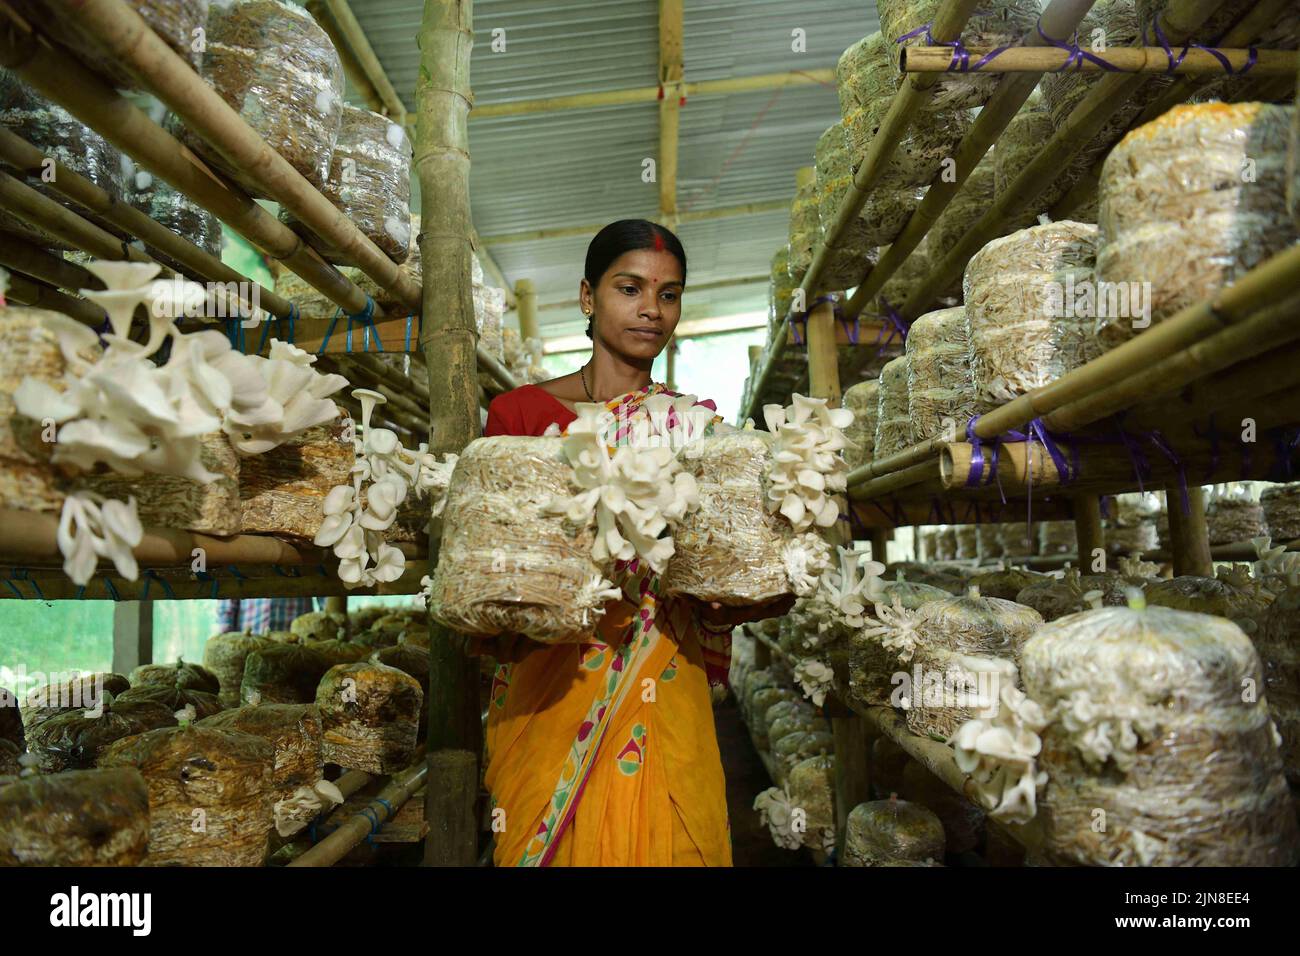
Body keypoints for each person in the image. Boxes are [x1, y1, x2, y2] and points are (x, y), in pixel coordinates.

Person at [482, 219, 791, 867]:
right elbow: (492, 576)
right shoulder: (521, 416)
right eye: (631, 288)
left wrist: (751, 589)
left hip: (661, 683)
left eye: (669, 294)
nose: (652, 309)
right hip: (552, 687)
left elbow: (721, 575)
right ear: (588, 297)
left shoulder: (694, 423)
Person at [215, 597, 320, 635]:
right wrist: (225, 637)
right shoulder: (241, 552)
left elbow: (328, 605)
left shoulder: (307, 551)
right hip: (250, 641)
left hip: (295, 643)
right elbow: (227, 604)